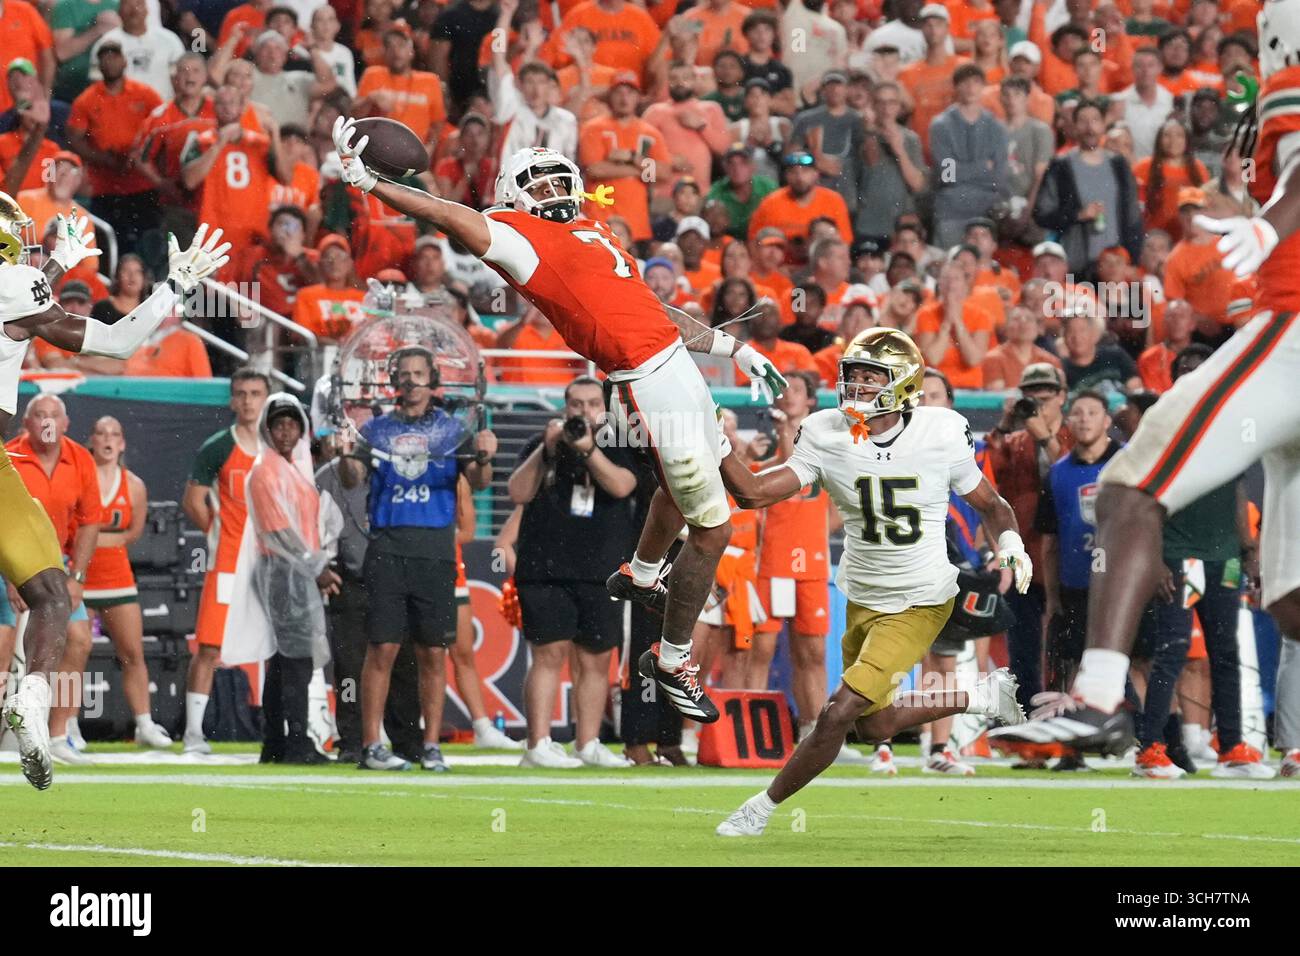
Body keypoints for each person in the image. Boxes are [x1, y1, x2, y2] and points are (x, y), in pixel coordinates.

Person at [333, 120, 789, 727]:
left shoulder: (594, 232)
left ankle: (642, 570)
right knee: (713, 529)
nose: (549, 188)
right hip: (649, 381)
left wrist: (737, 351)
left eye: (555, 177)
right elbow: (448, 214)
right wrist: (374, 184)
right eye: (536, 181)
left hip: (676, 366)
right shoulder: (518, 235)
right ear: (514, 196)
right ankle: (672, 658)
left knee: (700, 497)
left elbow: (653, 312)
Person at [714, 328, 1031, 836]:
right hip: (863, 593)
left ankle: (760, 808)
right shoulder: (826, 431)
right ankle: (980, 694)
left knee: (837, 712)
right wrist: (721, 446)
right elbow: (752, 494)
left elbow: (992, 506)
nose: (857, 387)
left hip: (921, 597)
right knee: (874, 725)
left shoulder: (940, 431)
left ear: (901, 383)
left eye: (870, 377)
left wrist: (1009, 544)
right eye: (852, 376)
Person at [0, 197, 225, 787]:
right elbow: (118, 343)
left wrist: (53, 268)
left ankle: (29, 697)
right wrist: (174, 286)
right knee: (51, 595)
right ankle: (32, 696)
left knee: (51, 594)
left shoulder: (20, 286)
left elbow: (19, 307)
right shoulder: (17, 285)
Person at [338, 346, 497, 771]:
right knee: (383, 647)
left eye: (418, 374)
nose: (410, 382)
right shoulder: (375, 429)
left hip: (435, 550)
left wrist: (485, 454)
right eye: (403, 374)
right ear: (394, 381)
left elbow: (479, 482)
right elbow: (351, 478)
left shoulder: (453, 431)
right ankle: (372, 744)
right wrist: (342, 451)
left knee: (432, 651)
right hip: (388, 546)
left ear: (432, 380)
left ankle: (430, 745)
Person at [1130, 345, 1271, 779]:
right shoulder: (1164, 425)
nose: (1196, 375)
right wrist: (1154, 558)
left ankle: (1231, 747)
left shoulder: (1229, 423)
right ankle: (1150, 749)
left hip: (1224, 557)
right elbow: (1147, 497)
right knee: (1171, 651)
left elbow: (1238, 491)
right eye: (1187, 369)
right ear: (1175, 378)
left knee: (1225, 652)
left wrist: (1249, 550)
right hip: (1181, 556)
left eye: (1202, 368)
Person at [507, 375, 640, 767]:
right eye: (576, 405)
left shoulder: (621, 444)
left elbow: (621, 486)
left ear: (606, 408)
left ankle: (587, 743)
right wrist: (546, 450)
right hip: (545, 567)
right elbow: (517, 492)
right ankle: (538, 744)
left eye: (592, 404)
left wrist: (588, 452)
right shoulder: (543, 444)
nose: (584, 412)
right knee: (548, 655)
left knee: (598, 659)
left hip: (601, 569)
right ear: (565, 408)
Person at [180, 366, 270, 754]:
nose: (248, 401)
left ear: (267, 398)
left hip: (271, 565)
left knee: (280, 647)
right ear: (232, 400)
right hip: (228, 564)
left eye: (255, 393)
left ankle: (286, 726)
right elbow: (192, 500)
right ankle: (194, 733)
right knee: (209, 648)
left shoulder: (280, 445)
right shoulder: (219, 446)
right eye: (242, 394)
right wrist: (217, 533)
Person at [247, 393, 335, 764]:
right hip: (284, 571)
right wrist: (317, 567)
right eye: (278, 425)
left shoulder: (291, 468)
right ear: (267, 429)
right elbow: (279, 532)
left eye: (292, 424)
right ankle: (295, 739)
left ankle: (277, 742)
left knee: (284, 661)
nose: (285, 432)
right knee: (295, 659)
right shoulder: (266, 470)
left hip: (292, 569)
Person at [82, 415, 172, 749]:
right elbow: (68, 527)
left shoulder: (133, 484)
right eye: (101, 433)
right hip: (80, 576)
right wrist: (100, 540)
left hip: (118, 577)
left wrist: (92, 540)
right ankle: (66, 726)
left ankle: (144, 724)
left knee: (132, 652)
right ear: (91, 439)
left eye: (114, 434)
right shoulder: (79, 477)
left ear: (122, 443)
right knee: (75, 654)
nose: (107, 440)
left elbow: (132, 533)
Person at [1033, 98, 1143, 277]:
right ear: (1074, 127)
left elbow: (1133, 217)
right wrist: (1078, 215)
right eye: (1083, 121)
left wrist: (1134, 261)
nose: (1089, 127)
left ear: (1103, 125)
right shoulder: (1061, 165)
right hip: (1076, 267)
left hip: (1114, 270)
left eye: (1095, 120)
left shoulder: (1118, 164)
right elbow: (1041, 214)